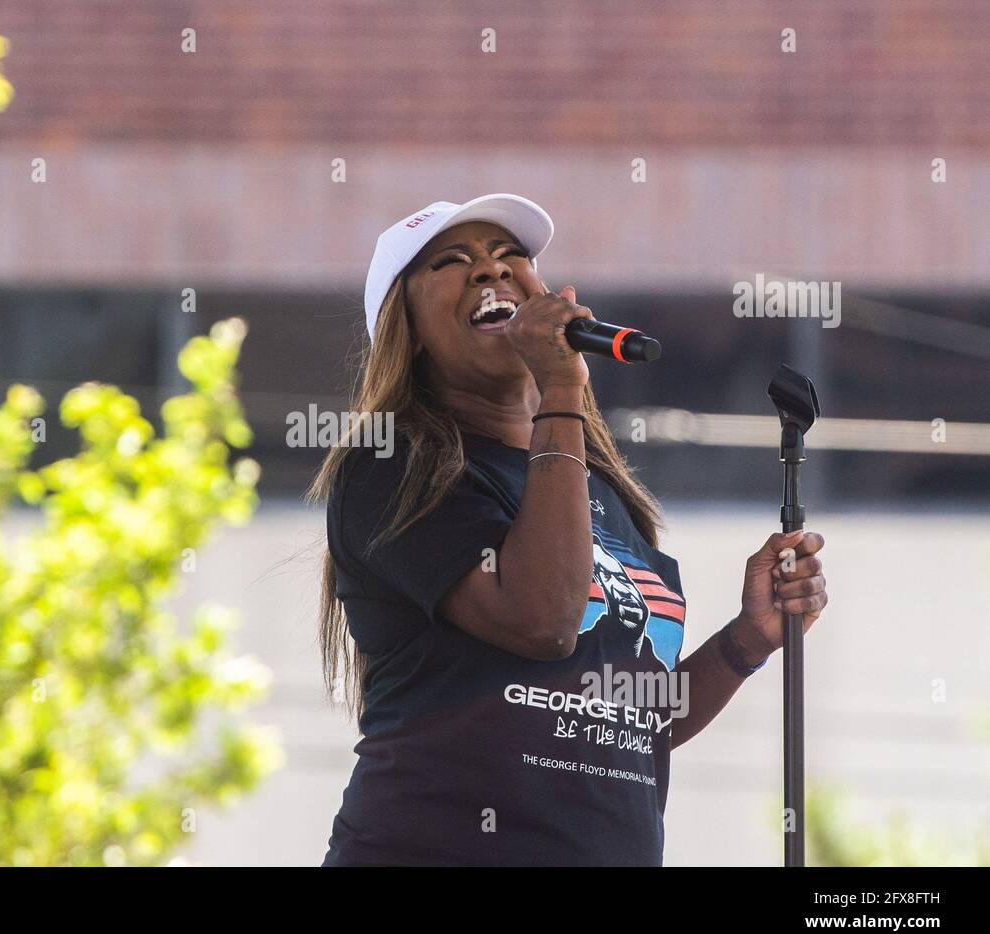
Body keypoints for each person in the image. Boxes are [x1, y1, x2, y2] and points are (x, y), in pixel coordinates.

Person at [308, 193, 829, 866]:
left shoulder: (600, 495)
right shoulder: (394, 467)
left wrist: (745, 640)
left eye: (510, 257)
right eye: (453, 261)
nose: (490, 273)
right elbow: (544, 621)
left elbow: (627, 720)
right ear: (406, 328)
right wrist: (558, 390)